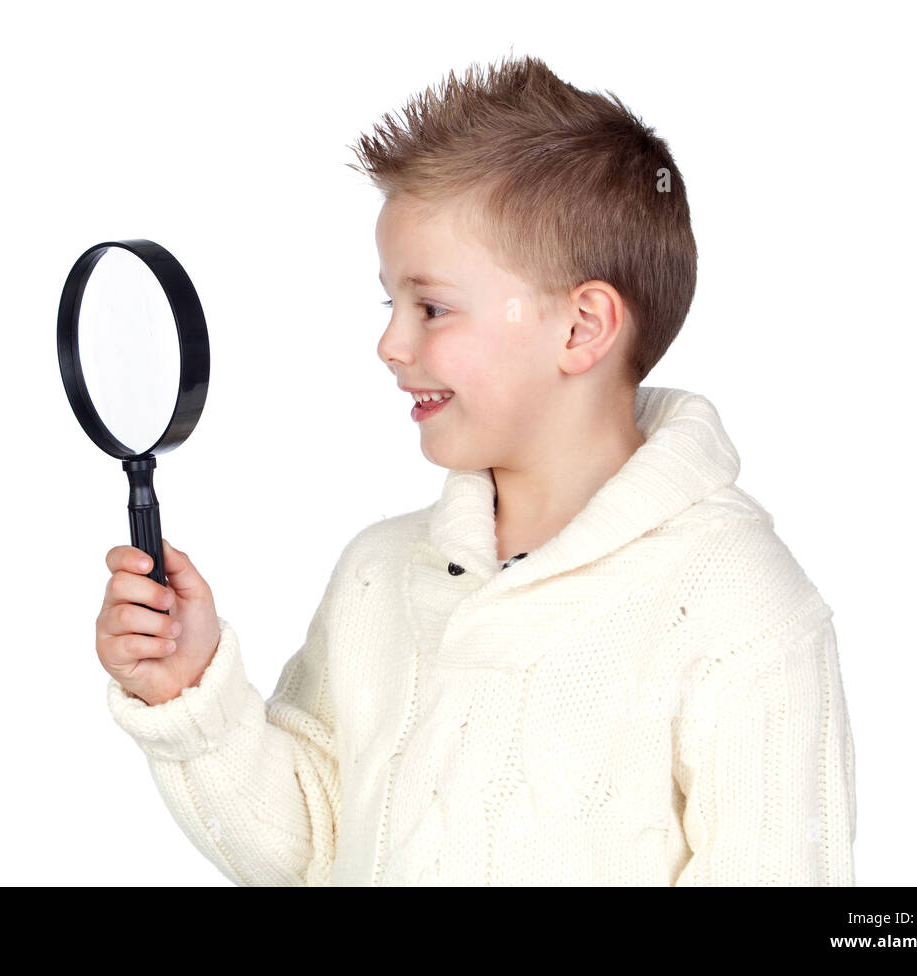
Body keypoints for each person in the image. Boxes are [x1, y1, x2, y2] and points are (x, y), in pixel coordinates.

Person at [95, 54, 856, 886]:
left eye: (431, 306)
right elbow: (314, 843)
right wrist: (190, 693)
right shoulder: (379, 578)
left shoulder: (739, 609)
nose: (390, 343)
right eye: (388, 303)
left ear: (581, 328)